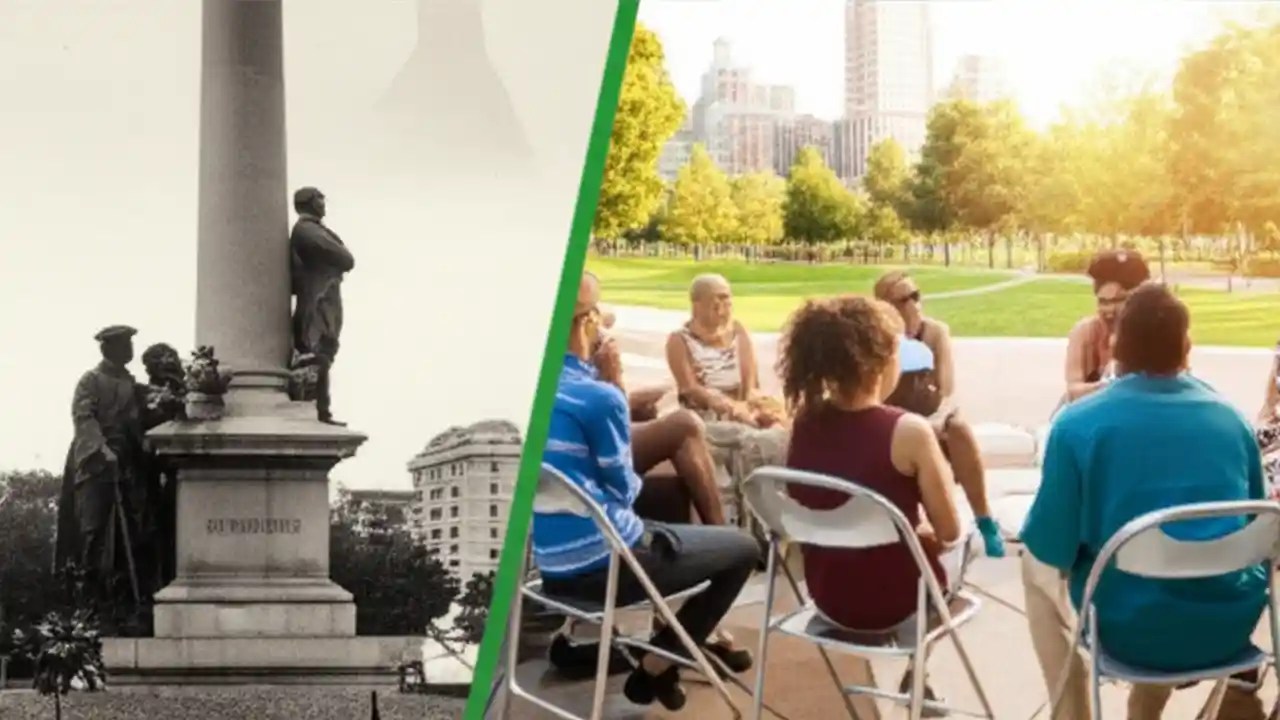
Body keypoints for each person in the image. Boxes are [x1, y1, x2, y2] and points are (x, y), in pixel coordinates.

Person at [1020, 282, 1268, 720]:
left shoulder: (1077, 425)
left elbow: (1051, 546)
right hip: (1227, 626)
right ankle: (1145, 710)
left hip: (1126, 631)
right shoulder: (1232, 421)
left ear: (1117, 347)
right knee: (1182, 570)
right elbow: (1255, 528)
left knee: (1033, 564)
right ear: (1186, 347)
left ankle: (1071, 715)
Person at [533, 272, 759, 711]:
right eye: (601, 322)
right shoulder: (597, 395)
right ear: (587, 325)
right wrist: (615, 389)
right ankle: (659, 661)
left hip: (552, 570)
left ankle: (674, 638)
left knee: (675, 490)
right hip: (607, 567)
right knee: (743, 550)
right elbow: (623, 491)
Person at [781, 295, 970, 707]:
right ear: (883, 361)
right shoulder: (909, 431)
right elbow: (950, 531)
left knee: (910, 535)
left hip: (829, 601)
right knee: (964, 542)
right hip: (899, 606)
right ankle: (918, 673)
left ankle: (918, 675)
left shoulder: (805, 422)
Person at [873, 271, 1004, 557]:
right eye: (902, 300)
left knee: (958, 429)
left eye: (915, 296)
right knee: (914, 442)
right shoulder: (876, 338)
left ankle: (984, 519)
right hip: (889, 419)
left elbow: (945, 388)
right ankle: (933, 536)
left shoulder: (934, 332)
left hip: (928, 414)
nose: (912, 305)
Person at [54, 325, 149, 620]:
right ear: (108, 349)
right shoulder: (91, 380)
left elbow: (137, 422)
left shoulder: (134, 385)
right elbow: (83, 418)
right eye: (124, 345)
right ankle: (87, 601)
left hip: (127, 461)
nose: (130, 350)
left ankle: (123, 601)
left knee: (133, 530)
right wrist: (102, 449)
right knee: (92, 530)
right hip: (96, 464)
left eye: (131, 344)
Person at [290, 186, 355, 426]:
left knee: (323, 353)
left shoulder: (311, 230)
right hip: (319, 297)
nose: (323, 203)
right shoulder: (307, 230)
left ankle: (320, 411)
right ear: (309, 203)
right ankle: (318, 412)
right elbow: (346, 258)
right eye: (320, 198)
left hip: (324, 294)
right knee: (318, 352)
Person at [1063, 249, 1150, 403]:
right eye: (1103, 302)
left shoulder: (1157, 334)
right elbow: (1074, 390)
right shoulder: (1085, 332)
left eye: (1119, 300)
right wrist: (1111, 384)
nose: (1109, 310)